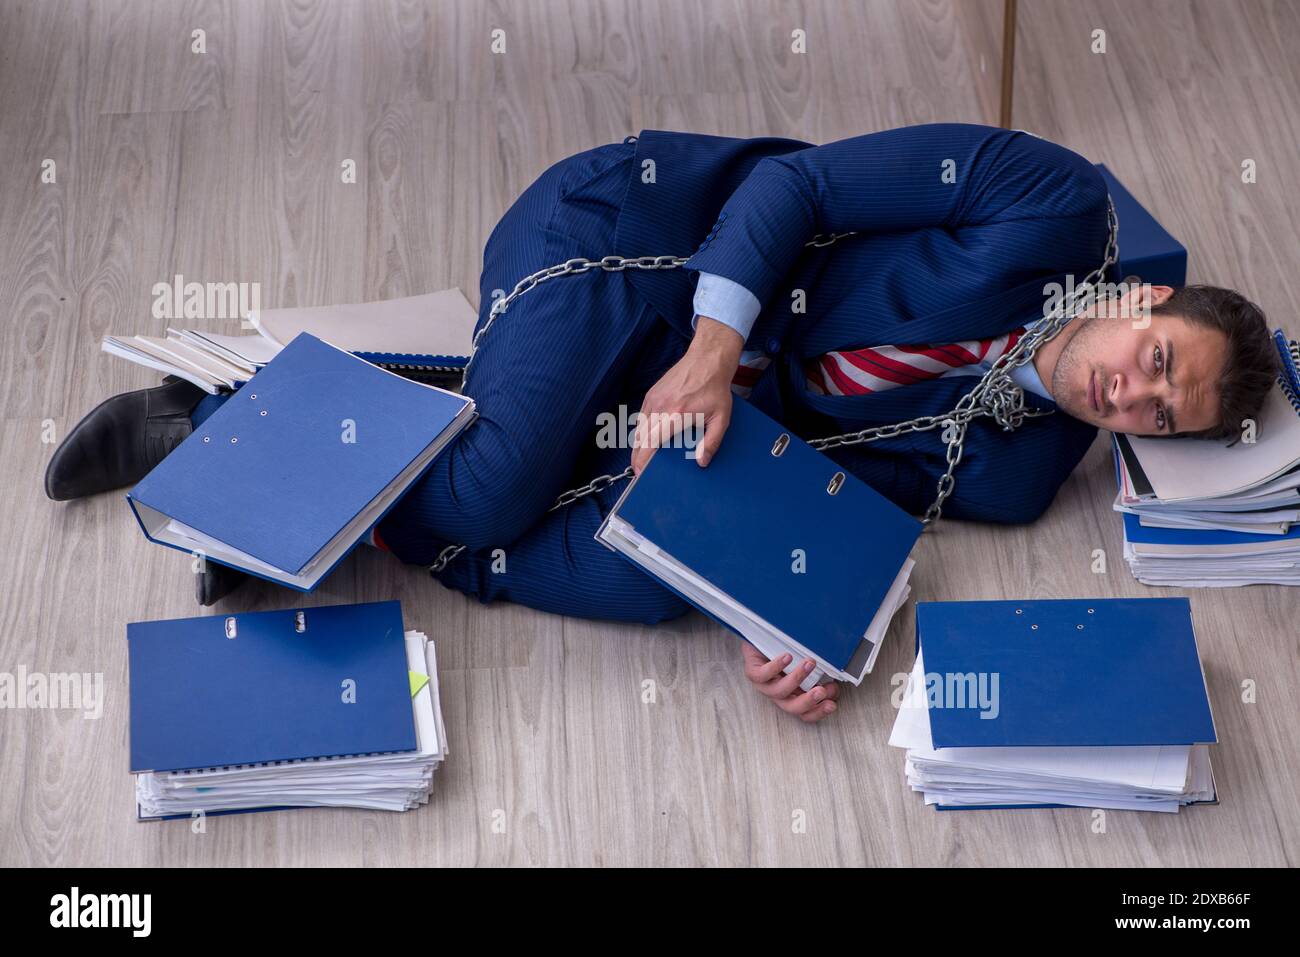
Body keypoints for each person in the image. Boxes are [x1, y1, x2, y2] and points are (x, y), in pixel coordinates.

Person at [45, 124, 1278, 723]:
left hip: (725, 397)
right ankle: (216, 405)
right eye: (1153, 359)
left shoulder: (1021, 473)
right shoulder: (1050, 203)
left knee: (656, 583)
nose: (1131, 394)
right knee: (491, 492)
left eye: (1159, 411)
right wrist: (707, 351)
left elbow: (853, 500)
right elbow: (794, 185)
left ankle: (317, 500)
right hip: (654, 256)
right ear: (1138, 300)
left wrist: (798, 626)